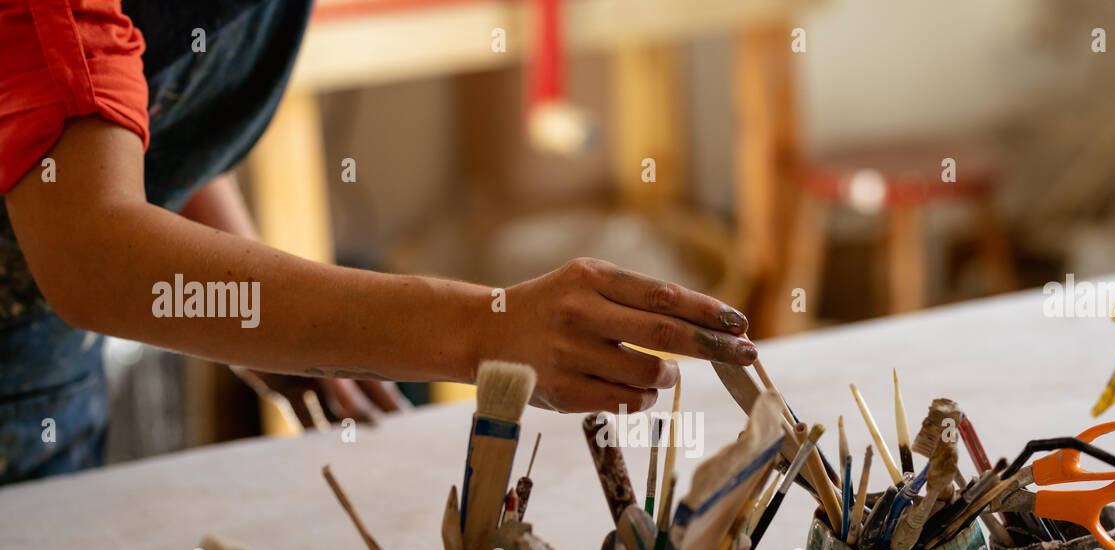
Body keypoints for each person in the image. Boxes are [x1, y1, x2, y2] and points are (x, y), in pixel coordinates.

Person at [0, 0, 756, 484]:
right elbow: (92, 253)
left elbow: (137, 116)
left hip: (54, 375)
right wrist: (488, 328)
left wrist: (269, 326)